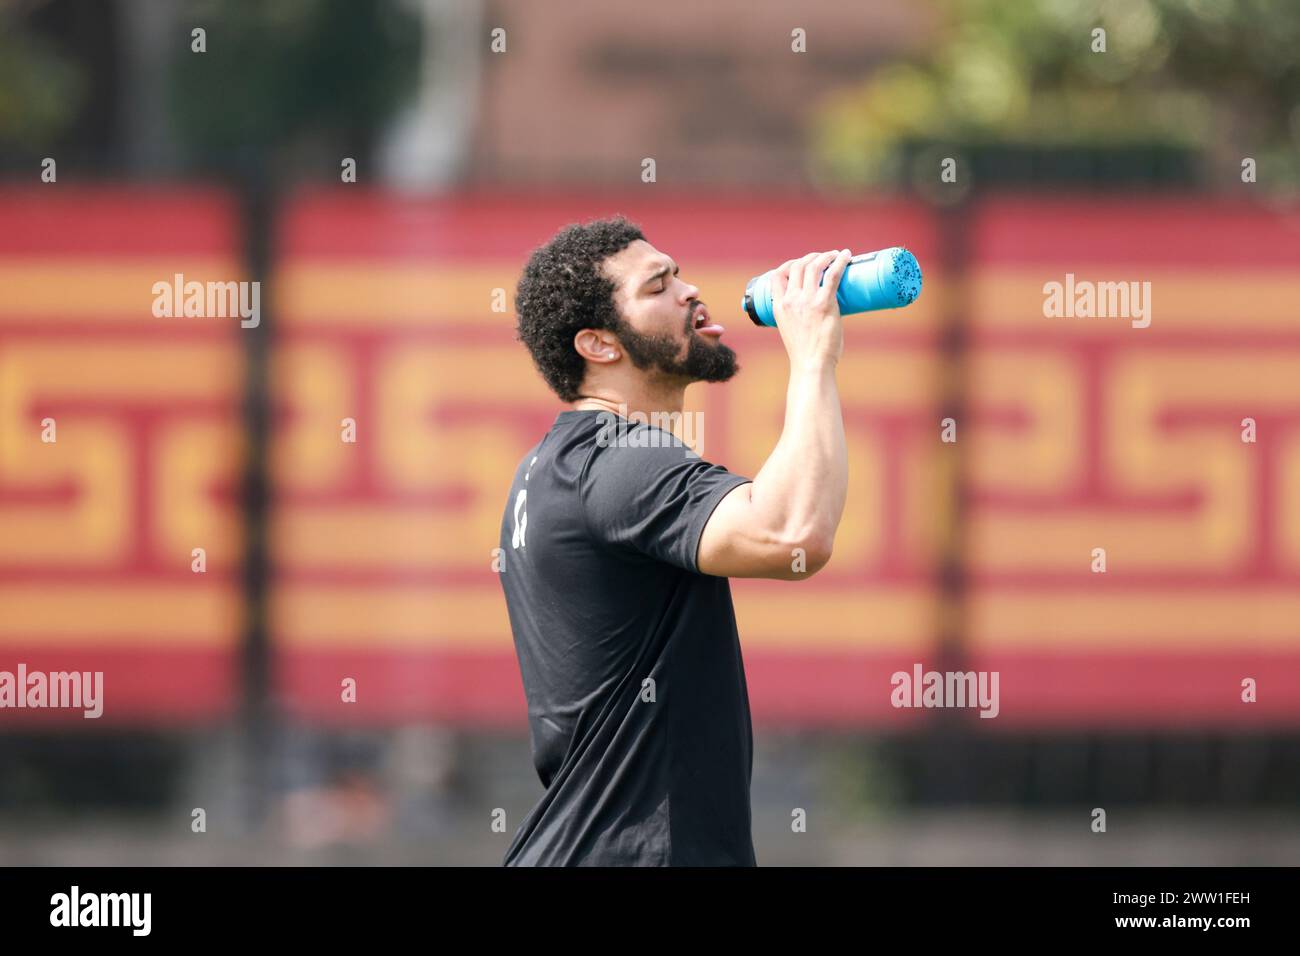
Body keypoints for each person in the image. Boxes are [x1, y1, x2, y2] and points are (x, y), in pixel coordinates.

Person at [498, 215, 849, 865]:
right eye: (658, 286)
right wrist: (813, 359)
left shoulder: (556, 464)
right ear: (599, 345)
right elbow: (793, 533)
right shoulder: (618, 460)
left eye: (678, 274)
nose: (688, 292)